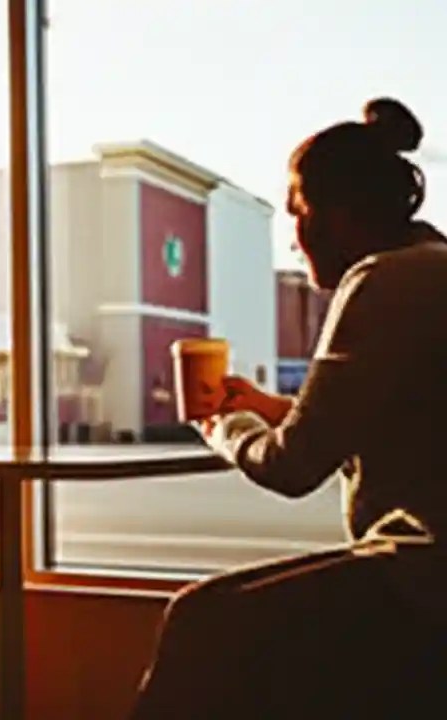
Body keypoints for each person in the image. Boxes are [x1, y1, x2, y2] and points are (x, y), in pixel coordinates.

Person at [132, 98, 447, 718]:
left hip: (428, 577)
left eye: (298, 212)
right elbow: (389, 426)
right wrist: (269, 406)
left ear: (336, 216)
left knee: (202, 619)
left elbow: (292, 467)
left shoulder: (383, 281)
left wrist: (222, 423)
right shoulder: (432, 271)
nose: (294, 234)